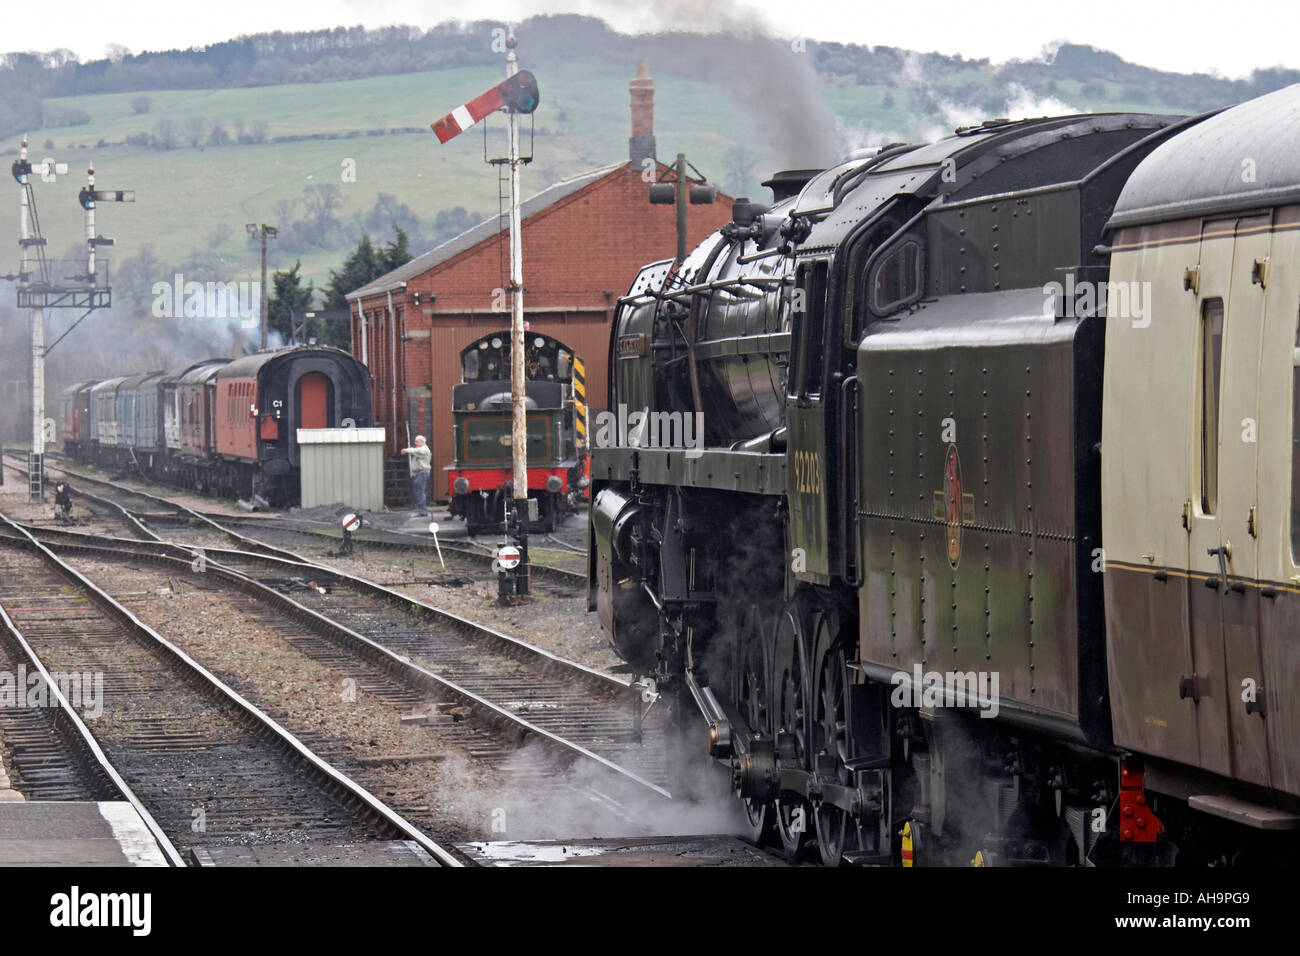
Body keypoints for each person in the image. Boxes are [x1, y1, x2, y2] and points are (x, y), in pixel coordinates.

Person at [400, 435, 432, 517]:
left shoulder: (424, 450)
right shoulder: (421, 449)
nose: (415, 443)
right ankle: (422, 511)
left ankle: (423, 512)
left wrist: (406, 450)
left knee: (420, 492)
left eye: (417, 441)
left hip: (422, 473)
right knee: (419, 492)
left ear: (422, 442)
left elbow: (417, 451)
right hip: (420, 473)